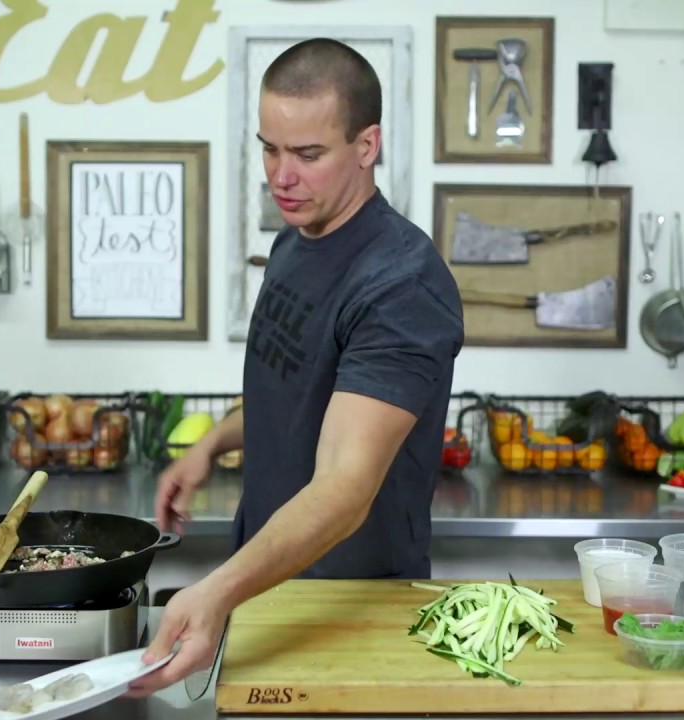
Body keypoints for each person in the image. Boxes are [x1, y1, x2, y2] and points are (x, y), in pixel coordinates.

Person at [125, 37, 464, 697]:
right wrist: (213, 444)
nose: (281, 176)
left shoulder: (402, 285)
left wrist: (215, 589)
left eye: (308, 155)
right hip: (269, 586)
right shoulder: (294, 241)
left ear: (366, 147)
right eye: (269, 148)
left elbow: (345, 487)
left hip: (347, 607)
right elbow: (301, 390)